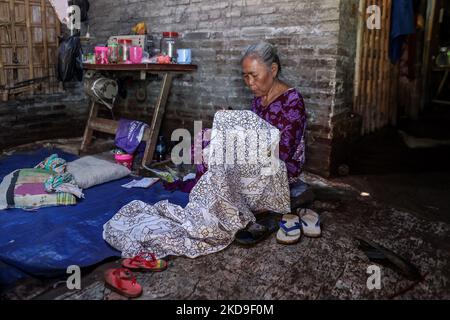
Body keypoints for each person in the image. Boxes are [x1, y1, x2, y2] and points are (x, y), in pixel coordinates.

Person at [191, 42, 307, 188]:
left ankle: (216, 192)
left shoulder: (293, 100)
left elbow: (283, 152)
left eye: (254, 75)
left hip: (280, 165)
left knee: (220, 155)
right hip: (256, 154)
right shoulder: (259, 99)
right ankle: (207, 191)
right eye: (246, 76)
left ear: (273, 70)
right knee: (203, 138)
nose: (250, 82)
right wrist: (232, 120)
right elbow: (254, 130)